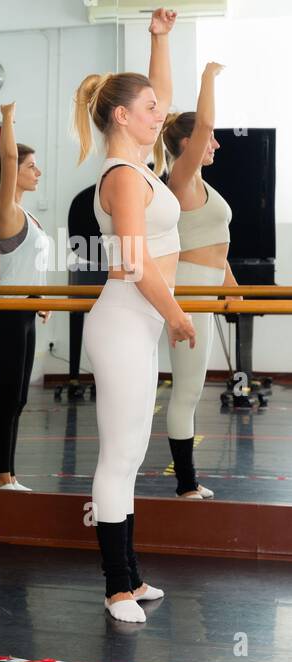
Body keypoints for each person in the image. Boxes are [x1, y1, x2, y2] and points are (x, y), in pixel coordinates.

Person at [73, 8, 195, 622]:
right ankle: (117, 586)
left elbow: (162, 93)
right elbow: (131, 259)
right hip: (125, 320)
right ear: (123, 116)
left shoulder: (140, 165)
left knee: (132, 455)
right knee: (118, 457)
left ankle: (133, 577)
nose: (160, 114)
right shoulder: (124, 177)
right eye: (148, 109)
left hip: (137, 325)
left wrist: (160, 39)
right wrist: (175, 315)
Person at [159, 62, 228, 500]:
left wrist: (236, 294)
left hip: (206, 285)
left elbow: (218, 243)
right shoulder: (180, 179)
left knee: (193, 388)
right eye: (208, 140)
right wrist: (206, 76)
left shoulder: (201, 182)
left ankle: (188, 481)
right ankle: (185, 484)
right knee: (187, 388)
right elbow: (205, 123)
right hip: (188, 289)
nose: (216, 144)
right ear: (188, 144)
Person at [0, 101, 51, 492]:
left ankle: (11, 474)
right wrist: (7, 119)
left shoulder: (30, 215)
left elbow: (28, 266)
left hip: (24, 314)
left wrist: (39, 300)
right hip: (7, 316)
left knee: (20, 398)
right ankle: (2, 476)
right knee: (8, 398)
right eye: (29, 166)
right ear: (10, 174)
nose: (36, 171)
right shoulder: (5, 210)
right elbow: (8, 156)